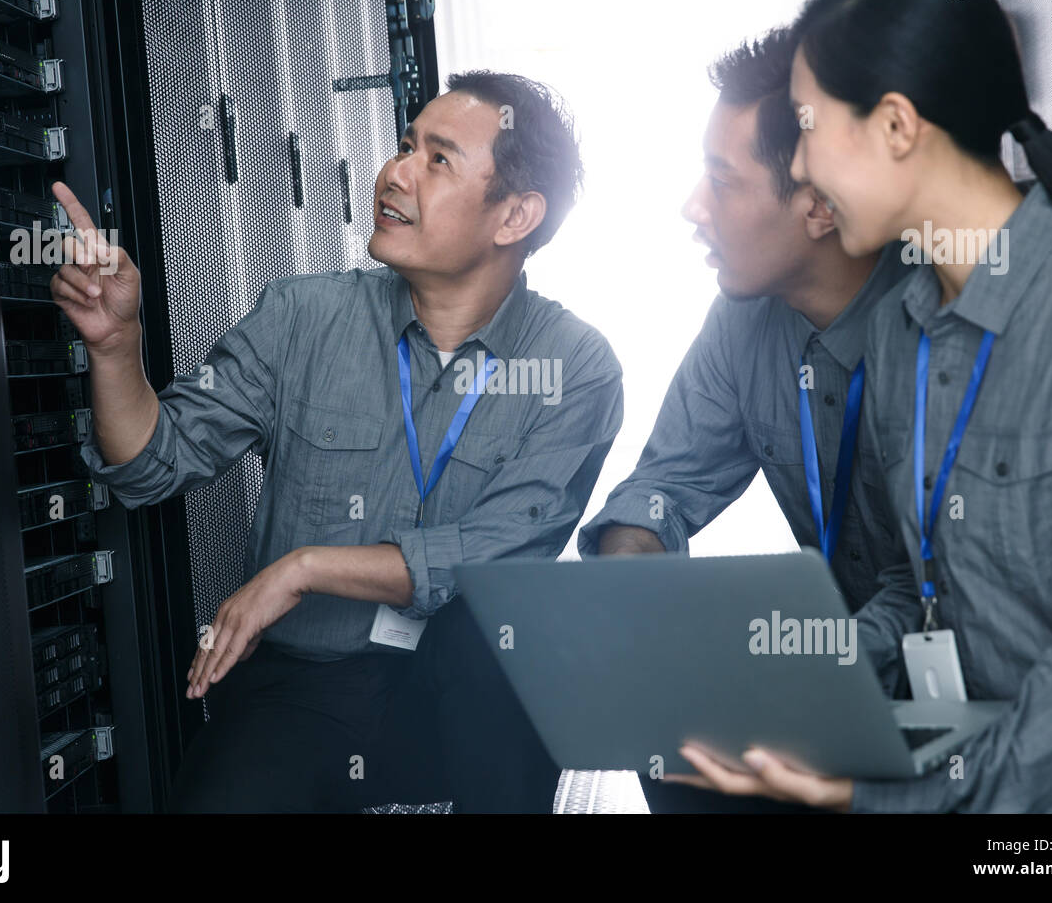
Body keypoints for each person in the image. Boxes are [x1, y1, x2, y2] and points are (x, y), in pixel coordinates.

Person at [51, 70, 623, 812]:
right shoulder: (304, 316)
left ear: (514, 216)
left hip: (466, 693)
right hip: (309, 683)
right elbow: (151, 466)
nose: (395, 171)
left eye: (438, 159)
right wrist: (116, 349)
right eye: (406, 145)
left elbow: (492, 553)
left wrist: (304, 568)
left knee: (502, 639)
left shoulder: (574, 367)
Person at [676, 0, 1052, 813]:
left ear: (896, 127)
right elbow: (923, 586)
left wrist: (890, 802)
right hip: (965, 757)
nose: (798, 169)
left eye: (808, 125)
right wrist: (789, 681)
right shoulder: (906, 330)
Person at [575, 27, 913, 812]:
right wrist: (635, 580)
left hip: (984, 690)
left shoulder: (943, 326)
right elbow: (664, 483)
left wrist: (781, 675)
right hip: (843, 668)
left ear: (821, 207)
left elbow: (936, 592)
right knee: (677, 743)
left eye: (721, 182)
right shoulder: (742, 320)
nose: (692, 207)